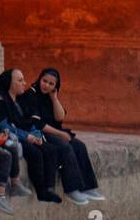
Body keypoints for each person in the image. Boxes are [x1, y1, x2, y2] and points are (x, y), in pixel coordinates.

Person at [18, 67, 104, 203]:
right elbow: (37, 123)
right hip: (38, 132)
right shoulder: (31, 94)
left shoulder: (49, 96)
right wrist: (60, 134)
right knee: (65, 147)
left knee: (79, 146)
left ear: (55, 86)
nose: (46, 85)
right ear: (39, 79)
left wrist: (54, 99)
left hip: (54, 130)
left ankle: (88, 187)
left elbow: (59, 118)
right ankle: (72, 189)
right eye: (44, 81)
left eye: (51, 84)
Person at [0, 68, 62, 203]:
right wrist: (27, 137)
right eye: (20, 80)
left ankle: (50, 188)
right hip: (9, 136)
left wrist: (34, 134)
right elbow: (5, 126)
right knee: (35, 153)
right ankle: (41, 191)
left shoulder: (17, 101)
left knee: (50, 149)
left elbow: (27, 122)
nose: (25, 83)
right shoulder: (0, 100)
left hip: (23, 134)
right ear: (10, 84)